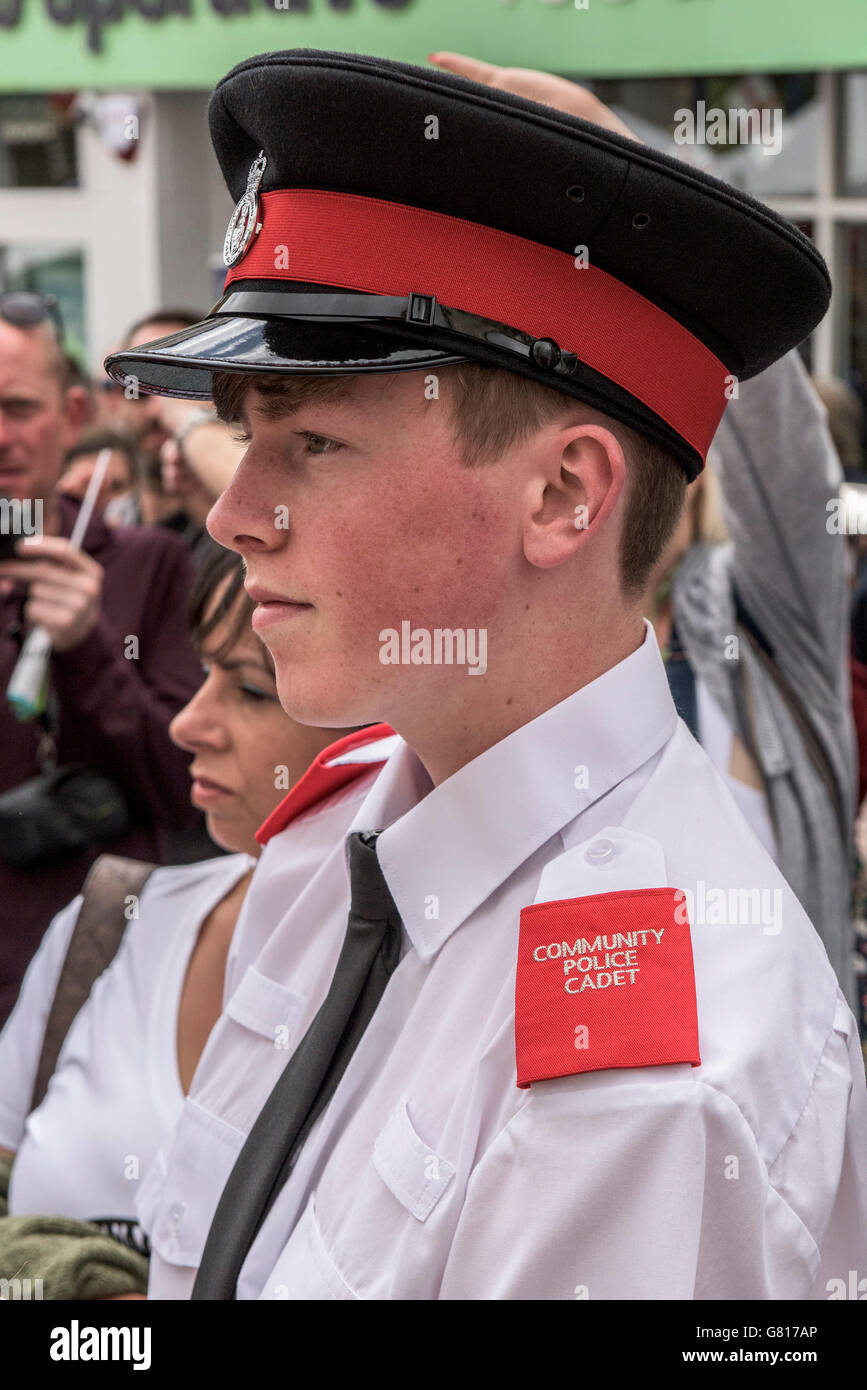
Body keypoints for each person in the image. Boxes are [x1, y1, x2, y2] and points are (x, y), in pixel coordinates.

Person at [105, 49, 867, 1300]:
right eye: (250, 435)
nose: (236, 511)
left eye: (314, 443)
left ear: (564, 493)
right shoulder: (340, 831)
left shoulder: (649, 1082)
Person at [431, 53, 858, 1011]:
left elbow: (780, 435)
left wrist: (632, 171)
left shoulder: (767, 632)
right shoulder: (510, 648)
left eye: (669, 445)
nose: (597, 488)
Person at [0, 540, 395, 1298]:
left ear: (382, 728)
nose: (189, 723)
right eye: (203, 673)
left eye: (249, 690)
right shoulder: (113, 918)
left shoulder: (436, 983)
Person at [0, 301, 205, 1026]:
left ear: (73, 413)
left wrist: (88, 647)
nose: (0, 437)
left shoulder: (147, 564)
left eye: (18, 407)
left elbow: (183, 790)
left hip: (97, 994)